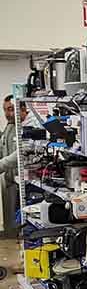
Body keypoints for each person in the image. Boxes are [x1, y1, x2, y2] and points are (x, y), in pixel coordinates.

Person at [0, 95, 28, 236]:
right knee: (12, 222)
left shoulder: (28, 127)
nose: (7, 114)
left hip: (24, 183)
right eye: (5, 110)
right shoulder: (9, 127)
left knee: (24, 222)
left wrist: (1, 165)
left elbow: (20, 153)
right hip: (10, 181)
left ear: (23, 109)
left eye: (11, 109)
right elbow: (2, 148)